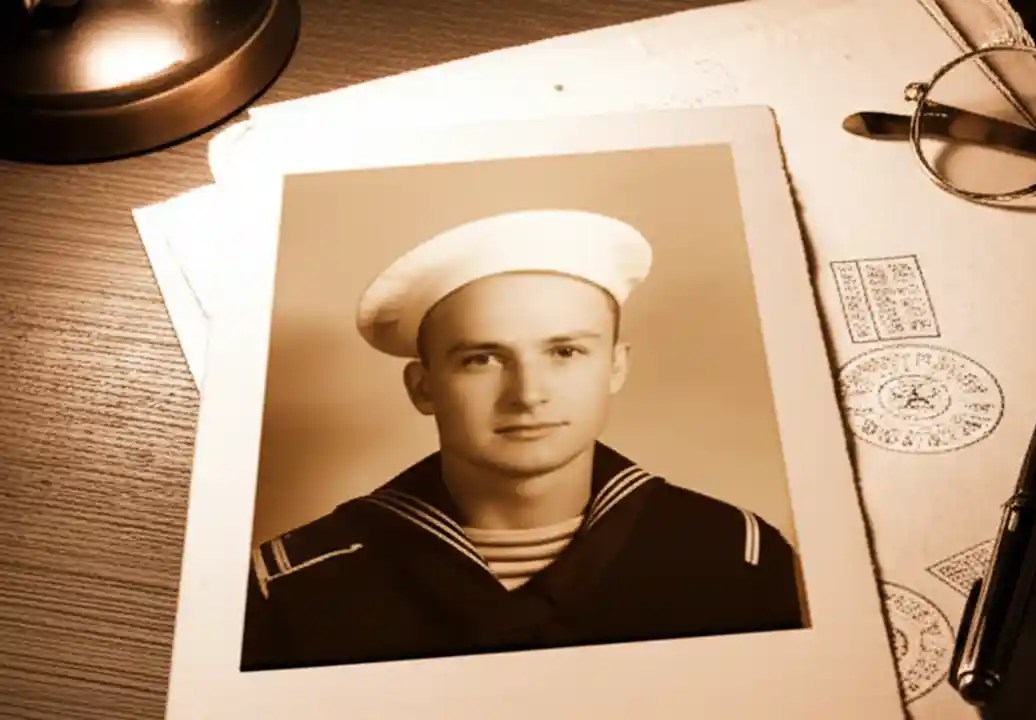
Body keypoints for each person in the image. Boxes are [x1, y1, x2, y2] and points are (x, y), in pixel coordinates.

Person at [240, 208, 804, 672]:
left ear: (615, 367)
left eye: (565, 352)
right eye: (481, 359)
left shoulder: (737, 555)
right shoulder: (293, 586)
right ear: (423, 386)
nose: (528, 393)